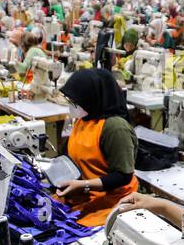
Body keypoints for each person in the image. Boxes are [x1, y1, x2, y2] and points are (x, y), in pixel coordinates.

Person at [55, 69, 138, 225]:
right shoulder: (84, 119)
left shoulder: (115, 128)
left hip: (113, 199)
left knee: (72, 230)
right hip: (84, 193)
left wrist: (84, 185)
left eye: (75, 101)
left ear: (92, 98)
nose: (71, 106)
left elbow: (123, 176)